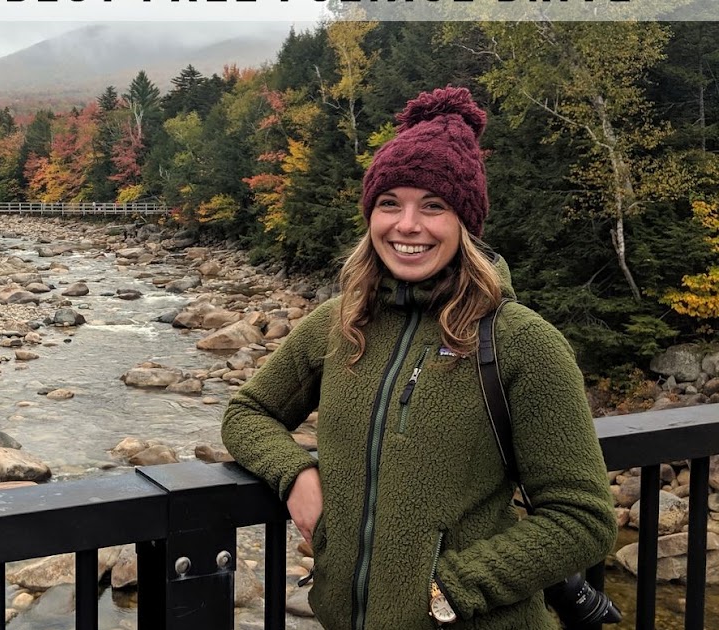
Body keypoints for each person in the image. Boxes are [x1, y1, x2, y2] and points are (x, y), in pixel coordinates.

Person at [221, 86, 616, 630]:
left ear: (465, 223)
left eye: (433, 206)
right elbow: (246, 412)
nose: (408, 225)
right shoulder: (338, 323)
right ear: (371, 216)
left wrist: (448, 590)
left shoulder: (522, 343)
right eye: (391, 204)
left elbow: (584, 519)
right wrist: (295, 475)